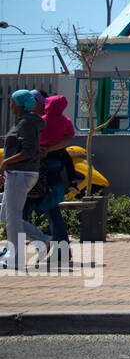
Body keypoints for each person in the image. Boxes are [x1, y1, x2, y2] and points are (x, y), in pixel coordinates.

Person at [1, 90, 51, 269]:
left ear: (20, 104)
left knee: (12, 216)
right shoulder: (25, 122)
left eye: (12, 101)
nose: (10, 105)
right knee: (6, 215)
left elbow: (28, 150)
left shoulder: (26, 123)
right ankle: (42, 239)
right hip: (19, 174)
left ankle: (15, 258)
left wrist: (6, 162)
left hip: (20, 174)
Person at [32, 94, 75, 248]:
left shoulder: (40, 120)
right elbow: (70, 136)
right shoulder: (66, 121)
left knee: (34, 207)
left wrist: (42, 149)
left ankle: (43, 242)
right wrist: (52, 148)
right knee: (53, 207)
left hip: (38, 164)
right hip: (56, 163)